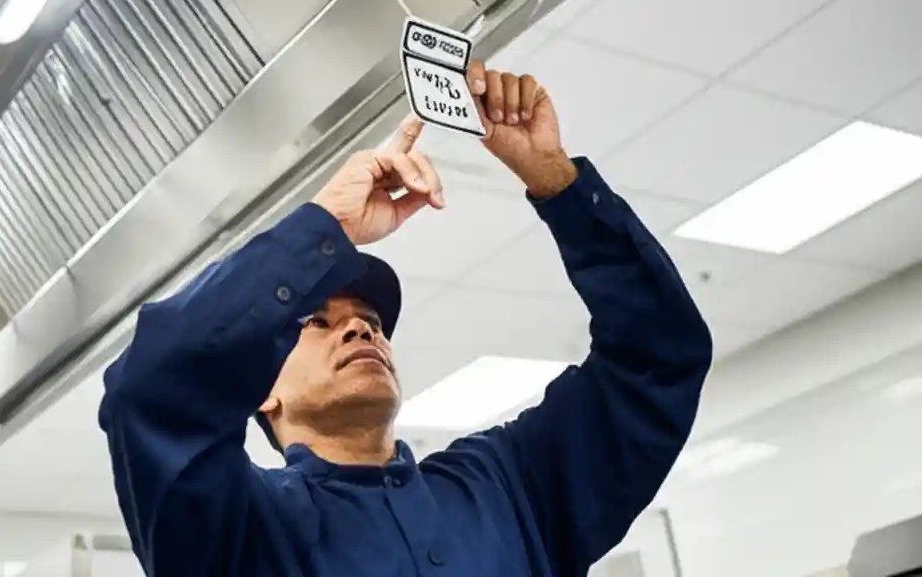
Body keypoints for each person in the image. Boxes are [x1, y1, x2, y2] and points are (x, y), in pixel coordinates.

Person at [98, 60, 713, 576]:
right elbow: (151, 394)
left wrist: (557, 182)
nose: (361, 328)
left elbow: (659, 358)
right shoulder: (239, 530)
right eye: (316, 320)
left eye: (371, 319)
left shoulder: (506, 484)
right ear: (263, 395)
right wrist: (325, 228)